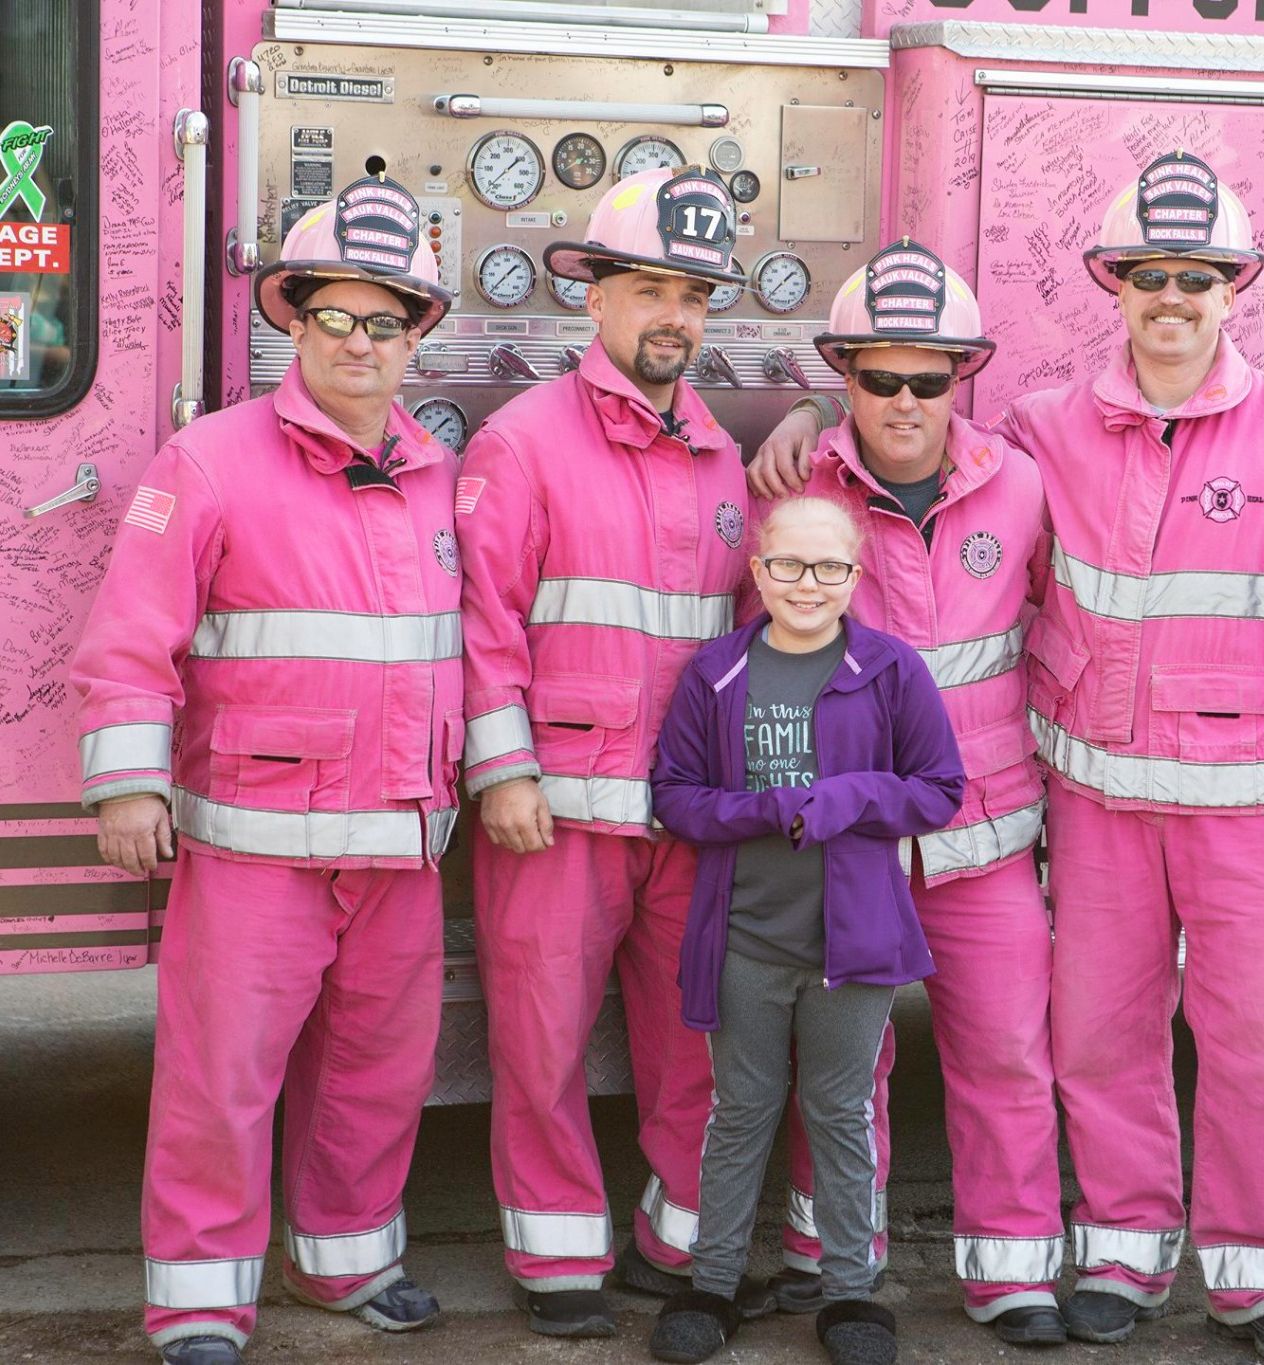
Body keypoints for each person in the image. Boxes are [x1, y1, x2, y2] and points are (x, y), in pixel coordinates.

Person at [750, 152, 1264, 1364]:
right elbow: (916, 443)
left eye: (1196, 276)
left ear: (1234, 288)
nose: (1171, 296)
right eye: (1149, 273)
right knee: (1100, 1039)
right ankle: (1120, 1256)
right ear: (1114, 285)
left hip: (1255, 810)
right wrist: (804, 416)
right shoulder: (1044, 434)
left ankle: (1261, 1276)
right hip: (1094, 799)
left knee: (1259, 1041)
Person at [71, 175, 461, 1365]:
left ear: (414, 338)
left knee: (378, 1071)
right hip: (253, 843)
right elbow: (131, 638)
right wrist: (130, 784)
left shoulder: (438, 471)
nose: (359, 342)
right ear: (290, 322)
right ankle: (198, 1303)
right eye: (334, 316)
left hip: (399, 839)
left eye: (385, 322)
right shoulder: (207, 461)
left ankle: (347, 1264)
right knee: (221, 1080)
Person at [755, 240, 1069, 1348]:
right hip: (845, 844)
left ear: (961, 379)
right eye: (878, 377)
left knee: (1003, 1051)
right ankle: (829, 1263)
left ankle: (1013, 1274)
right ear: (841, 375)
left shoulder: (1020, 483)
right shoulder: (795, 487)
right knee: (843, 1067)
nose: (903, 400)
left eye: (928, 379)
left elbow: (1065, 636)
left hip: (981, 835)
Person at [456, 166, 753, 1338]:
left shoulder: (724, 457)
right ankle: (557, 1260)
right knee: (539, 1044)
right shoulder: (523, 442)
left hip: (688, 816)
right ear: (594, 297)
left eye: (694, 293)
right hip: (558, 812)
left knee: (696, 1049)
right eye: (649, 288)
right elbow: (483, 621)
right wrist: (505, 771)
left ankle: (675, 1244)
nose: (673, 313)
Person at [648, 496, 965, 1365]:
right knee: (740, 1109)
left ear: (855, 577)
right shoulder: (715, 672)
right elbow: (673, 792)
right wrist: (755, 811)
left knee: (840, 1110)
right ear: (757, 569)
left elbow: (939, 788)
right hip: (744, 938)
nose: (807, 583)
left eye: (830, 567)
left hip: (853, 945)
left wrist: (844, 797)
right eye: (787, 564)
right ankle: (711, 1283)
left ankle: (850, 1294)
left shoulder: (890, 669)